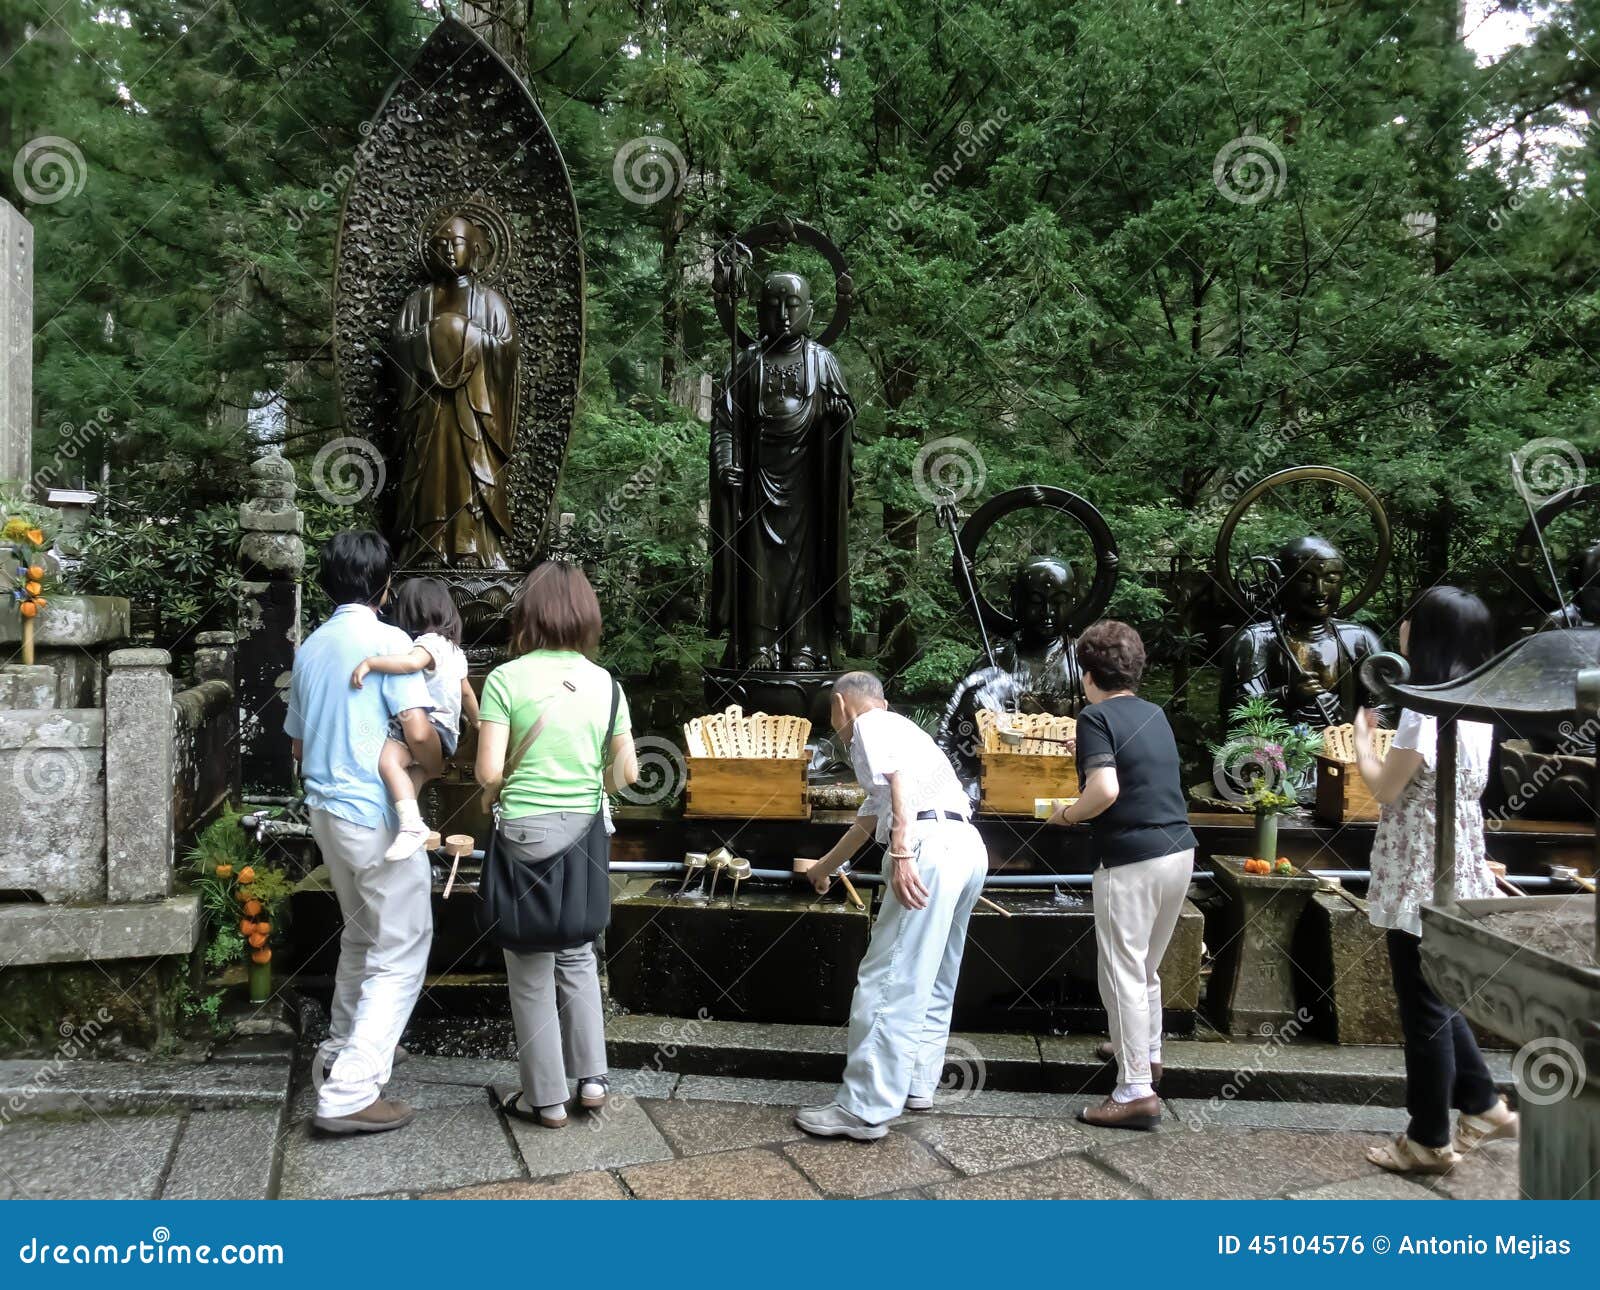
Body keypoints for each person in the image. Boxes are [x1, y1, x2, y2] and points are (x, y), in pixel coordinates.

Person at [1354, 586, 1517, 1174]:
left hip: (1419, 869)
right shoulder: (1477, 708)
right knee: (1438, 994)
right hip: (1455, 860)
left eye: (1410, 621)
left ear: (1428, 636)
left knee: (1422, 1006)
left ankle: (1428, 1139)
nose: (1400, 627)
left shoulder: (1425, 711)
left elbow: (1384, 788)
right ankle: (1482, 1105)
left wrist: (1362, 741)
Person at [285, 531, 441, 1135]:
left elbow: (296, 742)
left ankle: (340, 1050)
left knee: (361, 936)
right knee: (402, 946)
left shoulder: (313, 646)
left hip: (325, 808)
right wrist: (434, 764)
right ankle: (351, 1090)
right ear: (385, 585)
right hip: (372, 812)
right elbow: (416, 727)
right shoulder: (386, 639)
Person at [475, 562, 638, 1129]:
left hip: (523, 829)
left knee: (528, 961)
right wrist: (590, 783)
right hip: (586, 831)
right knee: (577, 950)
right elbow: (628, 770)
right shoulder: (606, 683)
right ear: (587, 616)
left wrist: (504, 788)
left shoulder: (504, 679)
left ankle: (545, 1100)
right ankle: (592, 1079)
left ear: (529, 613)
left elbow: (489, 770)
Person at [794, 672, 988, 1141]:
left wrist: (901, 849)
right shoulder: (910, 732)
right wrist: (824, 868)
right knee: (936, 974)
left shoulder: (871, 726)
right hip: (965, 845)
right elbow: (867, 819)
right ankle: (918, 1083)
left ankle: (864, 1108)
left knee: (888, 981)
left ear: (842, 705)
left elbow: (896, 782)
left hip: (926, 849)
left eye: (832, 718)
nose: (837, 729)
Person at [1048, 620, 1195, 1131]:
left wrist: (1067, 813)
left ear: (1087, 674)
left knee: (1124, 973)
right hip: (1179, 851)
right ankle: (1145, 1053)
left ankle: (1133, 1090)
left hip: (1131, 857)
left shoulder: (1094, 716)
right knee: (1144, 969)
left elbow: (1105, 790)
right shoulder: (1154, 713)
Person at [350, 576, 479, 861]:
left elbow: (409, 664)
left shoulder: (428, 643)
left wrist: (371, 663)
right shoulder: (455, 650)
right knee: (414, 774)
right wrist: (479, 723)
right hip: (447, 736)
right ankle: (408, 825)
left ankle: (410, 826)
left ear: (414, 610)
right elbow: (467, 692)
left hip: (426, 725)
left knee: (387, 762)